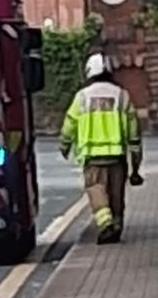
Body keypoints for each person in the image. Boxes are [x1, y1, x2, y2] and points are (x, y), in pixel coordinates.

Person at [60, 53, 143, 244]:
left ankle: (106, 225)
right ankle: (117, 225)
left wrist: (64, 146)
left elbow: (69, 124)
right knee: (116, 196)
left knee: (97, 191)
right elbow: (134, 133)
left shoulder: (82, 97)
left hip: (93, 159)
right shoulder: (122, 95)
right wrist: (136, 165)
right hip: (117, 158)